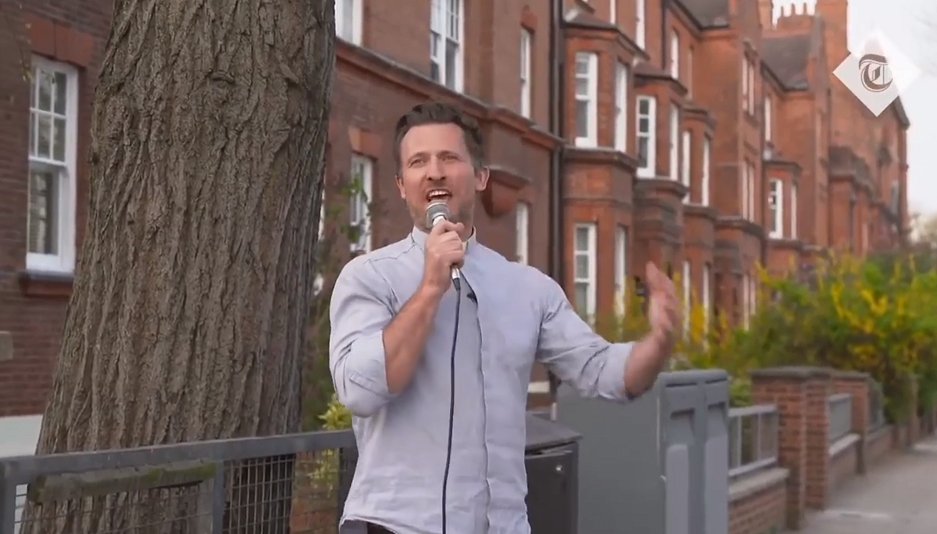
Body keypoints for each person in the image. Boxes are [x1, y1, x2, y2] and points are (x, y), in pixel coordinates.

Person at [329, 102, 680, 534]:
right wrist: (431, 288)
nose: (435, 172)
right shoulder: (369, 277)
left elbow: (606, 373)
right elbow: (360, 390)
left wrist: (658, 341)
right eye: (419, 162)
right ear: (403, 185)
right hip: (394, 525)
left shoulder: (527, 288)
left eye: (449, 158)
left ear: (480, 177)